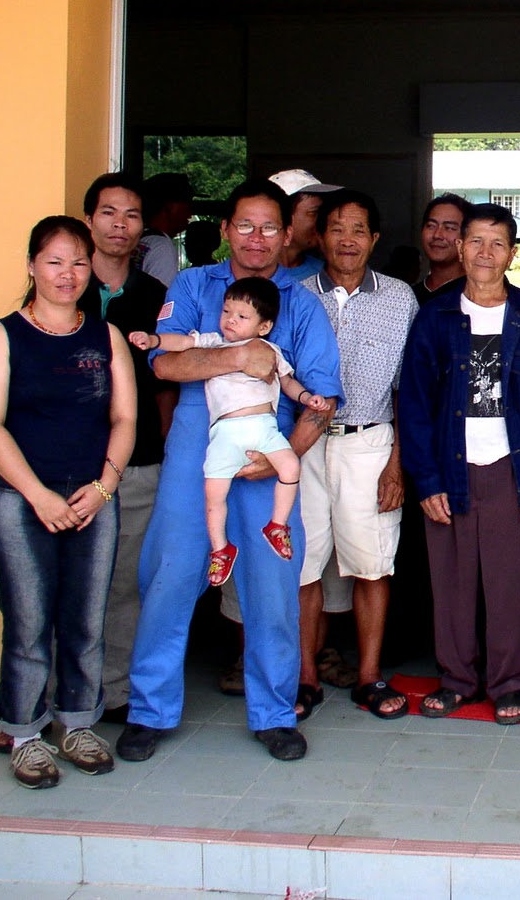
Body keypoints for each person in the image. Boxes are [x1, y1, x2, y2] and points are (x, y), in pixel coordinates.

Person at [117, 178, 342, 765]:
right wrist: (238, 355)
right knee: (168, 578)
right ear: (224, 230)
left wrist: (281, 456)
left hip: (268, 456)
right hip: (196, 456)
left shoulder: (302, 304)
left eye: (269, 227)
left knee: (273, 587)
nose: (256, 238)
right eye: (244, 225)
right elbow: (165, 364)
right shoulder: (194, 285)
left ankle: (274, 713)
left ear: (287, 235)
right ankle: (149, 710)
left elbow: (322, 397)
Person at [0, 216, 137, 788]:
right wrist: (37, 495)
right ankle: (24, 734)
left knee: (86, 619)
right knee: (29, 620)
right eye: (55, 262)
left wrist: (105, 486)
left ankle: (78, 724)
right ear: (32, 266)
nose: (68, 274)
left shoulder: (106, 337)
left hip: (93, 498)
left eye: (79, 262)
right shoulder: (3, 337)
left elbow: (125, 418)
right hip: (22, 500)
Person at [399, 203, 520, 724]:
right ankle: (456, 679)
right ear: (459, 247)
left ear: (512, 253)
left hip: (511, 465)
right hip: (450, 464)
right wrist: (426, 479)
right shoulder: (436, 315)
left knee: (512, 582)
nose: (485, 253)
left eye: (497, 243)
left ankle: (509, 682)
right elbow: (415, 404)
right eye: (475, 241)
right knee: (451, 580)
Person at [296, 189, 420, 720]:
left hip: (371, 442)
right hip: (303, 445)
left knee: (372, 564)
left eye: (358, 230)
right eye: (337, 229)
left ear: (374, 239)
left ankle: (369, 676)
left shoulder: (399, 298)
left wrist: (397, 464)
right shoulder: (296, 295)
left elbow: (408, 388)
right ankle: (304, 677)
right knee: (303, 565)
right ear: (319, 237)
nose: (347, 240)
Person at [129, 277, 333, 585]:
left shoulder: (271, 350)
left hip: (265, 430)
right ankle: (220, 548)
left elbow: (289, 383)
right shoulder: (214, 342)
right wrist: (154, 340)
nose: (230, 320)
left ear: (264, 327)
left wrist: (307, 398)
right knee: (214, 495)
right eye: (226, 312)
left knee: (291, 467)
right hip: (225, 434)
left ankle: (277, 525)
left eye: (241, 316)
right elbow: (181, 343)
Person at [83, 173, 172, 730]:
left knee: (125, 583)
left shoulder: (156, 297)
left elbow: (164, 385)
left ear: (143, 228)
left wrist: (166, 457)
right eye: (109, 213)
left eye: (132, 215)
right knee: (68, 584)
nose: (120, 224)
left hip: (139, 463)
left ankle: (114, 690)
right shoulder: (64, 287)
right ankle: (56, 694)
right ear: (89, 219)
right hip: (70, 465)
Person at [269, 168, 339, 282]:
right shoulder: (249, 272)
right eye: (314, 213)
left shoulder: (326, 274)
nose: (323, 220)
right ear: (282, 217)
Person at [137, 172, 194, 286]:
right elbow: (161, 296)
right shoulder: (162, 247)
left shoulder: (138, 241)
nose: (190, 212)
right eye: (188, 203)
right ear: (170, 206)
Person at [415, 193, 467, 303]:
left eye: (449, 228)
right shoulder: (409, 297)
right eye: (431, 226)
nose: (437, 235)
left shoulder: (474, 296)